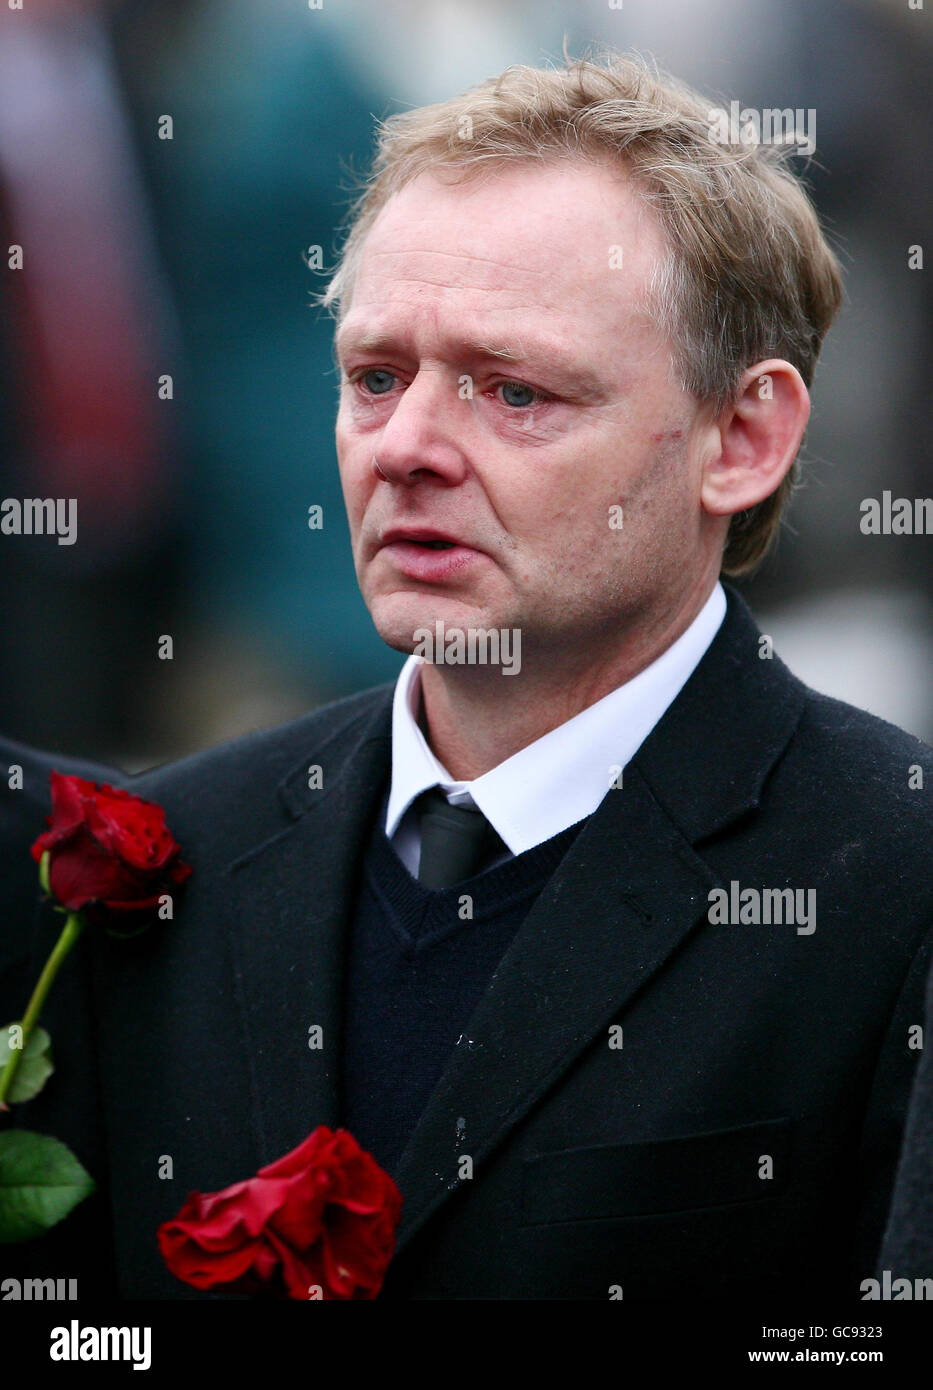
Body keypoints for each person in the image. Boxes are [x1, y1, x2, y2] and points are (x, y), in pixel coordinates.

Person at [2, 49, 931, 1300]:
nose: (408, 449)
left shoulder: (892, 876)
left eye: (515, 391)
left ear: (745, 435)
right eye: (376, 377)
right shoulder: (169, 860)